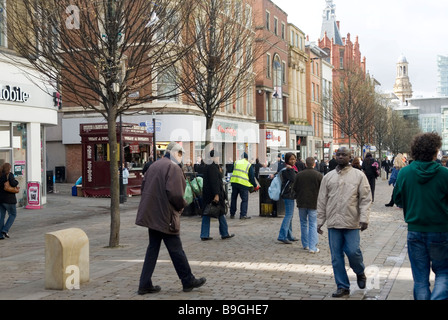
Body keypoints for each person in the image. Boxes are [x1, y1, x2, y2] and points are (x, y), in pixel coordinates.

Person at [136, 142, 206, 294]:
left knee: (153, 249)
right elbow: (175, 194)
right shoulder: (173, 168)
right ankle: (187, 280)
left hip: (153, 213)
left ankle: (144, 283)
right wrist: (182, 205)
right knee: (176, 249)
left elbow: (144, 187)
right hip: (165, 214)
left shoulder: (155, 165)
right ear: (175, 153)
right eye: (180, 154)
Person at [393, 133, 448, 300]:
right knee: (444, 273)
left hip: (415, 230)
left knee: (420, 278)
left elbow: (397, 199)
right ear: (435, 151)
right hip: (440, 230)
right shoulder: (444, 174)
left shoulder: (405, 173)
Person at [317, 147, 372, 298]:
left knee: (353, 251)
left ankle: (360, 272)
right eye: (338, 154)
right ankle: (342, 286)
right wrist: (320, 220)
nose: (340, 157)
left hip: (351, 221)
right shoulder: (328, 177)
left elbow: (365, 199)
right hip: (334, 223)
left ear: (350, 157)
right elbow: (322, 200)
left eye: (344, 155)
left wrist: (364, 218)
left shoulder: (359, 176)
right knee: (336, 257)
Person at [200, 150, 234, 241]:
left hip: (208, 194)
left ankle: (204, 234)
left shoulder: (209, 166)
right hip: (213, 194)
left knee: (207, 213)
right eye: (217, 157)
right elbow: (214, 182)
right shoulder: (212, 167)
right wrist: (217, 194)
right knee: (221, 213)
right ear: (213, 157)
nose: (218, 158)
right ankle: (224, 233)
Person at [293, 157, 323, 253]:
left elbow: (295, 188)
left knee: (303, 223)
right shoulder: (318, 175)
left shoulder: (299, 175)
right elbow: (322, 190)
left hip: (301, 202)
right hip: (313, 202)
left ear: (305, 164)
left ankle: (305, 244)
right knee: (313, 224)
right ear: (314, 164)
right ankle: (312, 247)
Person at [277, 152, 298, 244]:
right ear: (287, 160)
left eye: (294, 159)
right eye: (291, 159)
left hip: (289, 194)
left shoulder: (290, 169)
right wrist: (292, 171)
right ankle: (282, 235)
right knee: (288, 215)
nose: (293, 161)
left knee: (290, 215)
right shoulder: (288, 170)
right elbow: (295, 179)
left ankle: (289, 235)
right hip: (288, 194)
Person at [229, 152, 258, 219]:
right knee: (244, 199)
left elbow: (230, 170)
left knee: (233, 198)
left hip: (234, 182)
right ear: (246, 158)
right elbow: (251, 177)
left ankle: (232, 213)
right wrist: (255, 185)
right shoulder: (248, 164)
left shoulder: (236, 162)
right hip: (243, 184)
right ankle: (243, 215)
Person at [0, 163, 19, 240]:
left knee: (1, 217)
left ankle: (0, 235)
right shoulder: (9, 175)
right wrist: (16, 182)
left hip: (1, 200)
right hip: (9, 199)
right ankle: (5, 230)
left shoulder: (0, 175)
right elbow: (13, 183)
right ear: (9, 168)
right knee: (13, 214)